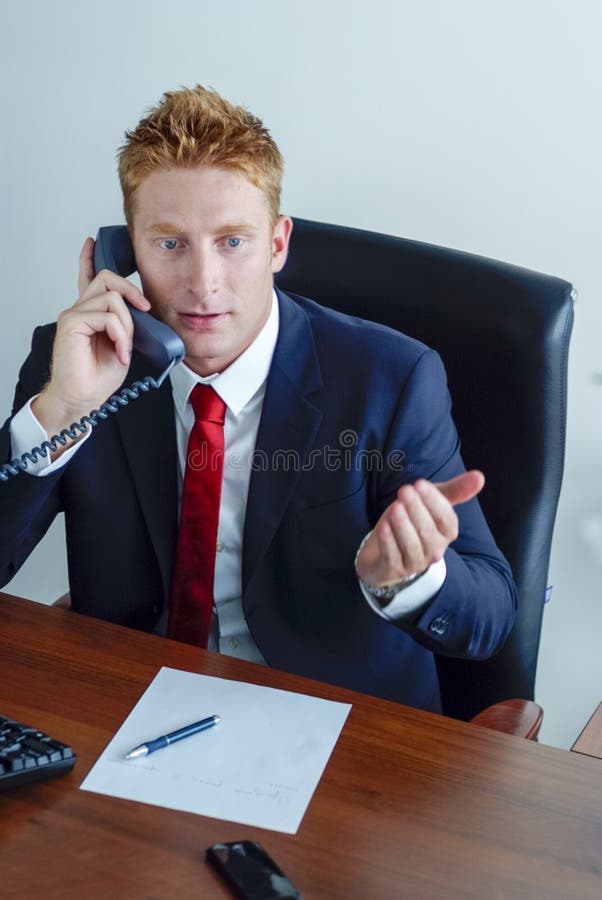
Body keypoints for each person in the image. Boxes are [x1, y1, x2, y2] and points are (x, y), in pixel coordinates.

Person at [0, 85, 516, 712]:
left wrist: (411, 579)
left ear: (277, 244)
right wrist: (62, 414)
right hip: (133, 710)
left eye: (232, 241)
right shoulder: (74, 362)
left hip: (334, 734)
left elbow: (490, 616)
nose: (202, 284)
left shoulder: (392, 377)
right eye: (168, 243)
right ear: (125, 253)